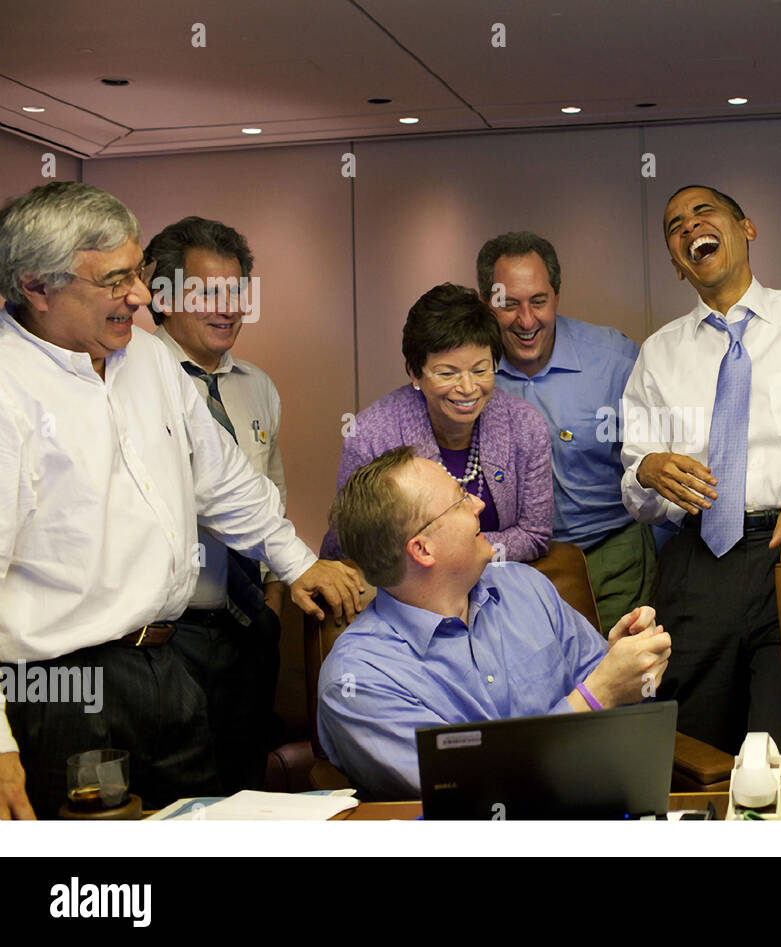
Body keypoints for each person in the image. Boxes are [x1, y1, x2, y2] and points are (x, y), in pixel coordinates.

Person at [0, 182, 363, 819]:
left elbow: (223, 480)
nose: (140, 296)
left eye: (137, 273)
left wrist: (296, 562)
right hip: (60, 687)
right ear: (37, 287)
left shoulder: (147, 360)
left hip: (164, 668)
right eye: (114, 280)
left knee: (198, 828)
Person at [620, 185, 781, 765]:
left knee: (776, 747)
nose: (689, 227)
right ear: (677, 266)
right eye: (674, 226)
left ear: (746, 228)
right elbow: (635, 486)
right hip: (696, 561)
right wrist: (649, 469)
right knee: (691, 751)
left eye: (702, 213)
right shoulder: (659, 353)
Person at [317, 447, 672, 800]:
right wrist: (598, 694)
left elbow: (612, 706)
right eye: (459, 500)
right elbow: (473, 790)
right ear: (422, 549)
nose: (479, 504)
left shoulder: (525, 587)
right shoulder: (359, 679)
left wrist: (627, 664)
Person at [145, 215, 288, 793]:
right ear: (163, 297)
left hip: (249, 627)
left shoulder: (257, 386)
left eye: (236, 293)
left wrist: (274, 602)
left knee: (246, 786)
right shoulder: (129, 382)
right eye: (207, 292)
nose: (227, 308)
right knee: (175, 793)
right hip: (167, 636)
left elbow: (270, 500)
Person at [478, 231, 652, 633]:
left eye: (538, 301)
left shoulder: (615, 360)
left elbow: (653, 464)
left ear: (556, 295)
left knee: (622, 677)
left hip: (613, 553)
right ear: (486, 301)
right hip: (515, 566)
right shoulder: (471, 373)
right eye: (508, 304)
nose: (526, 320)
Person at [321, 283, 551, 564]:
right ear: (415, 373)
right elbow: (352, 545)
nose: (468, 388)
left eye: (480, 370)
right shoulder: (371, 435)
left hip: (499, 585)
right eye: (447, 373)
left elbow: (534, 535)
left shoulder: (525, 426)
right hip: (403, 596)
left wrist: (453, 551)